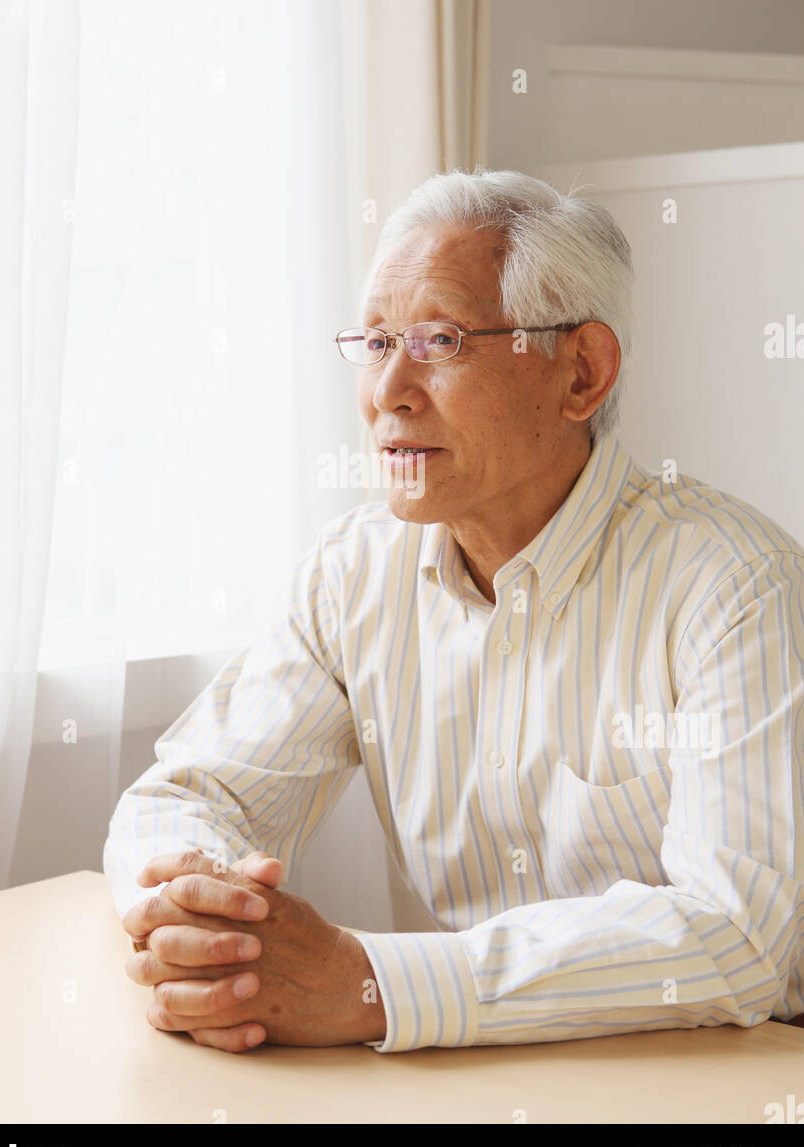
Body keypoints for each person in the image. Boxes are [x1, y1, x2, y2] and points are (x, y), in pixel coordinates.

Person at [104, 168, 804, 1054]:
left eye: (439, 340)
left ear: (580, 373)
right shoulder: (352, 574)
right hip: (473, 1075)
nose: (387, 391)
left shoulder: (740, 586)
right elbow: (189, 793)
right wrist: (200, 915)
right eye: (376, 341)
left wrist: (374, 986)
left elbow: (734, 937)